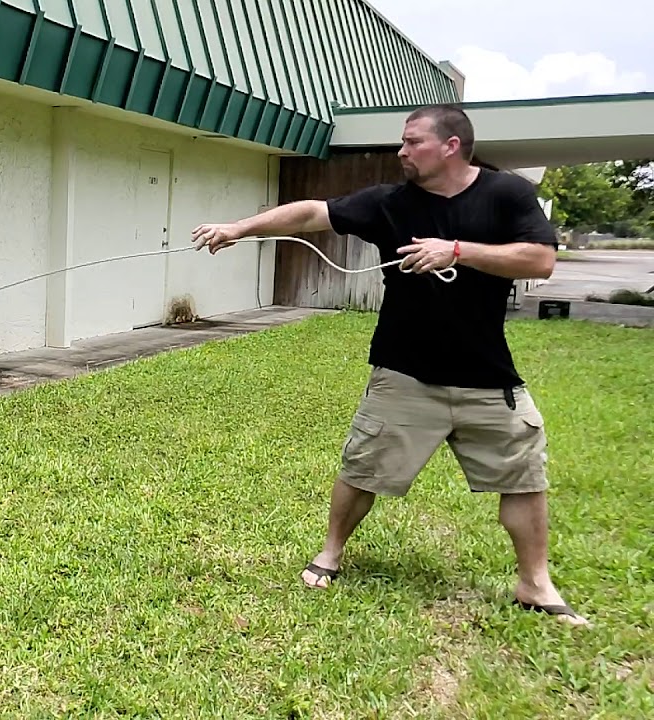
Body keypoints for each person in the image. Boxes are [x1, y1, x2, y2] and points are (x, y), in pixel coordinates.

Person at [191, 104, 587, 626]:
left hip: (488, 376)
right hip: (404, 371)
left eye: (413, 142)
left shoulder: (505, 193)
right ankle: (331, 552)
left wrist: (458, 250)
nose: (401, 151)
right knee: (361, 470)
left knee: (522, 478)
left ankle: (534, 583)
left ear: (451, 145)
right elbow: (312, 212)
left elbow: (540, 260)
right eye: (402, 142)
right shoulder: (390, 203)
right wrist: (239, 228)